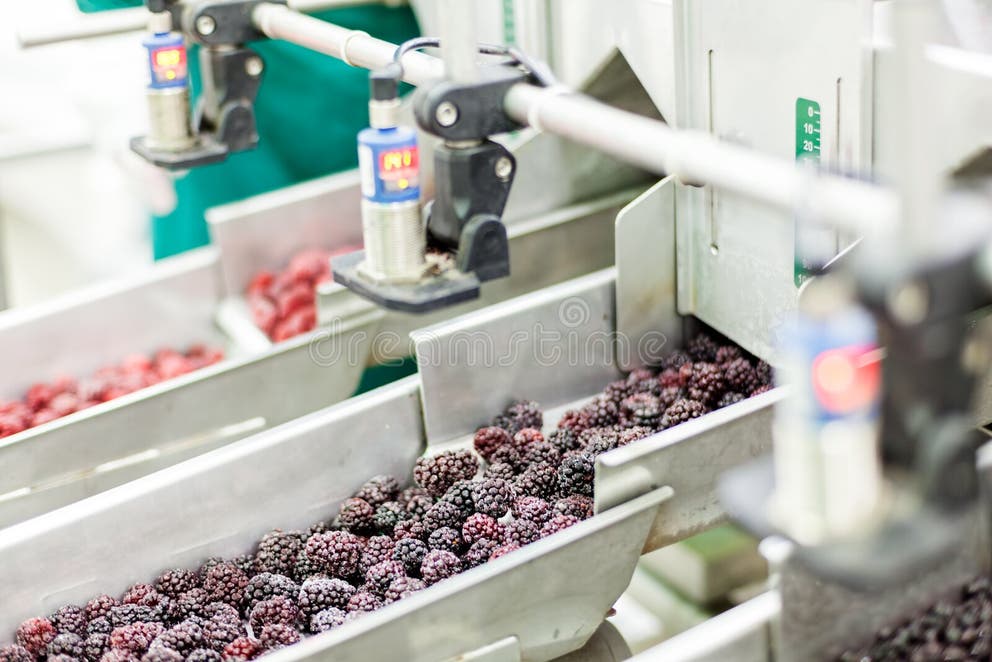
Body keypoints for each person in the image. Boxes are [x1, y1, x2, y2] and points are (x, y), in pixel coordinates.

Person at [79, 0, 420, 259]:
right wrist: (114, 99)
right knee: (220, 310)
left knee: (390, 274)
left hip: (364, 86)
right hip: (224, 122)